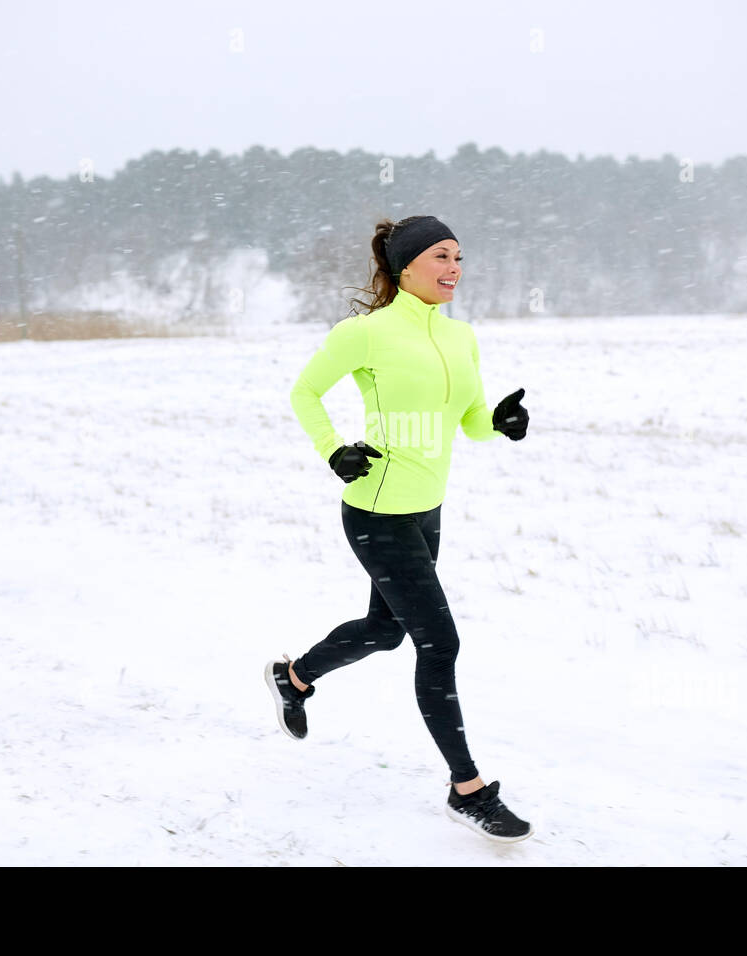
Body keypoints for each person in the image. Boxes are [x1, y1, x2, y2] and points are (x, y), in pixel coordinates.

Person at [264, 215, 533, 843]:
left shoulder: (462, 336)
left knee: (386, 633)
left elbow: (466, 419)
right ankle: (468, 789)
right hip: (376, 509)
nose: (454, 269)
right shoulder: (365, 334)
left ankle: (294, 677)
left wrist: (499, 421)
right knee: (439, 644)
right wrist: (334, 450)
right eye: (441, 256)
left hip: (426, 509)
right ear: (406, 265)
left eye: (460, 257)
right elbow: (305, 393)